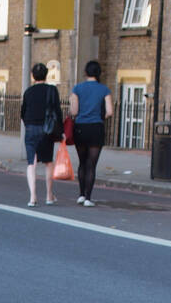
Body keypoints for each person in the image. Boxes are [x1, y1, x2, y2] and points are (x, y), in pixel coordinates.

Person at [68, 61, 113, 206]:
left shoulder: (77, 88)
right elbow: (110, 112)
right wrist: (100, 117)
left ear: (85, 72)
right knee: (91, 165)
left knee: (82, 163)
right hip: (96, 128)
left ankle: (80, 195)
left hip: (81, 127)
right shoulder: (104, 90)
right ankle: (88, 198)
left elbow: (74, 111)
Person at [20, 62, 63, 207]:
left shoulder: (28, 92)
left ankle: (32, 197)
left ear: (33, 76)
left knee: (31, 163)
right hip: (46, 129)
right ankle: (49, 196)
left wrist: (29, 125)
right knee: (48, 162)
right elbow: (57, 111)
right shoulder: (52, 90)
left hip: (31, 128)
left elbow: (23, 113)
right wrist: (61, 131)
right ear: (46, 75)